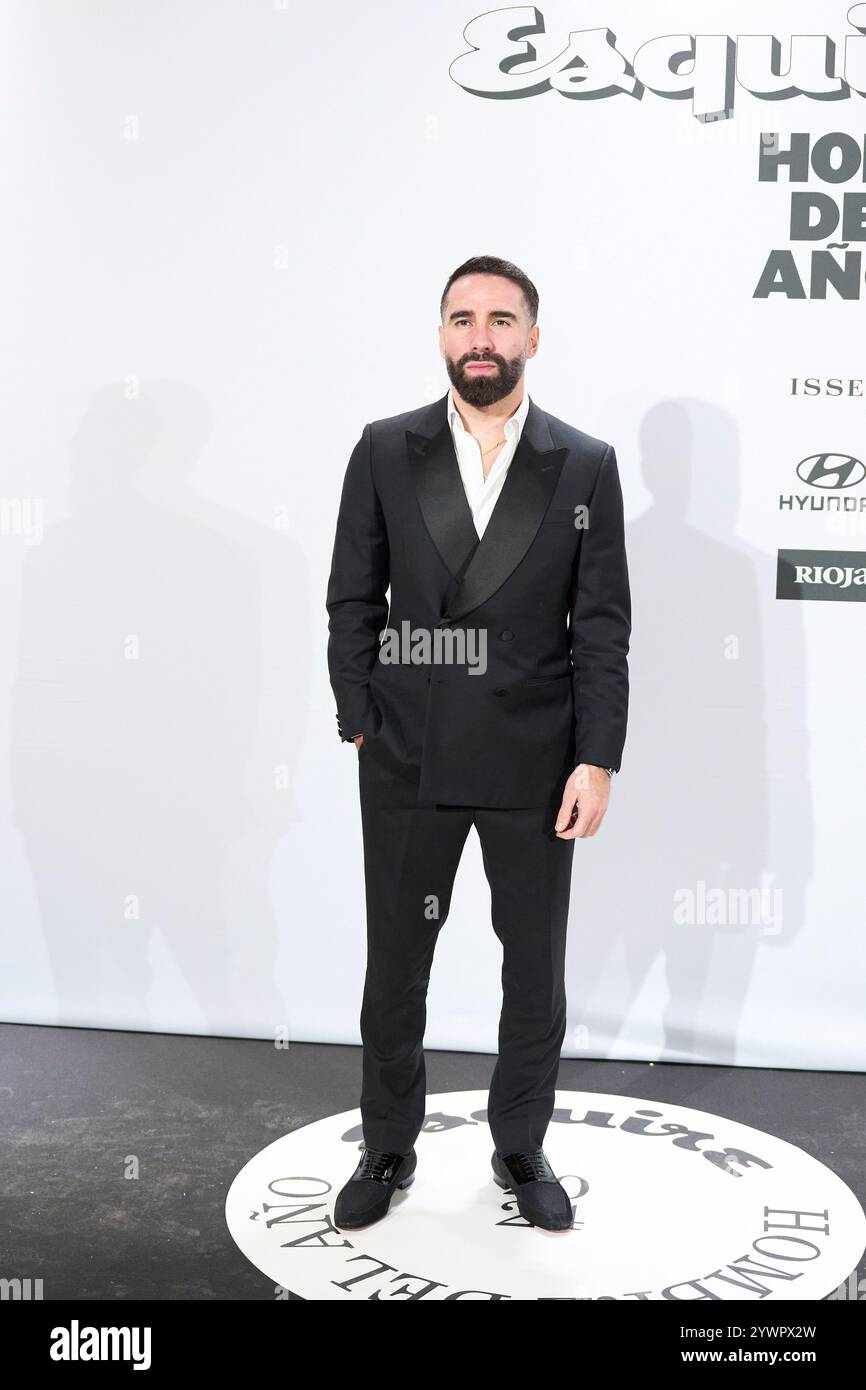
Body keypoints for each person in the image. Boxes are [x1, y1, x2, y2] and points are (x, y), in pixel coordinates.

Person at [325, 255, 630, 1232]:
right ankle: (385, 1144)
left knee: (532, 967)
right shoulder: (383, 449)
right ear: (442, 334)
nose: (479, 337)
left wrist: (596, 755)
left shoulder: (581, 464)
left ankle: (519, 1140)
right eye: (461, 319)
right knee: (395, 963)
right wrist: (359, 716)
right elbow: (350, 598)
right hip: (407, 756)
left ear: (531, 338)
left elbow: (601, 627)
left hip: (535, 764)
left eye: (500, 320)